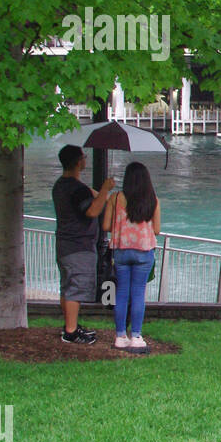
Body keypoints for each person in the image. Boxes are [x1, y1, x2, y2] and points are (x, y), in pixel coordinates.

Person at [52, 146, 115, 344]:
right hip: (78, 246)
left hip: (65, 245)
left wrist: (103, 194)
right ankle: (71, 332)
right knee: (75, 289)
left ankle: (70, 325)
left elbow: (93, 199)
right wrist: (105, 189)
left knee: (68, 287)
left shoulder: (62, 185)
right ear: (79, 161)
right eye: (84, 157)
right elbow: (92, 211)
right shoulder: (76, 189)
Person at [102, 161, 161, 353]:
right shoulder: (153, 200)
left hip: (121, 251)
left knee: (121, 293)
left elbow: (105, 227)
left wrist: (122, 227)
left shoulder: (115, 198)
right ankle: (136, 336)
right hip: (144, 252)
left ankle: (120, 336)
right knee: (138, 294)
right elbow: (157, 230)